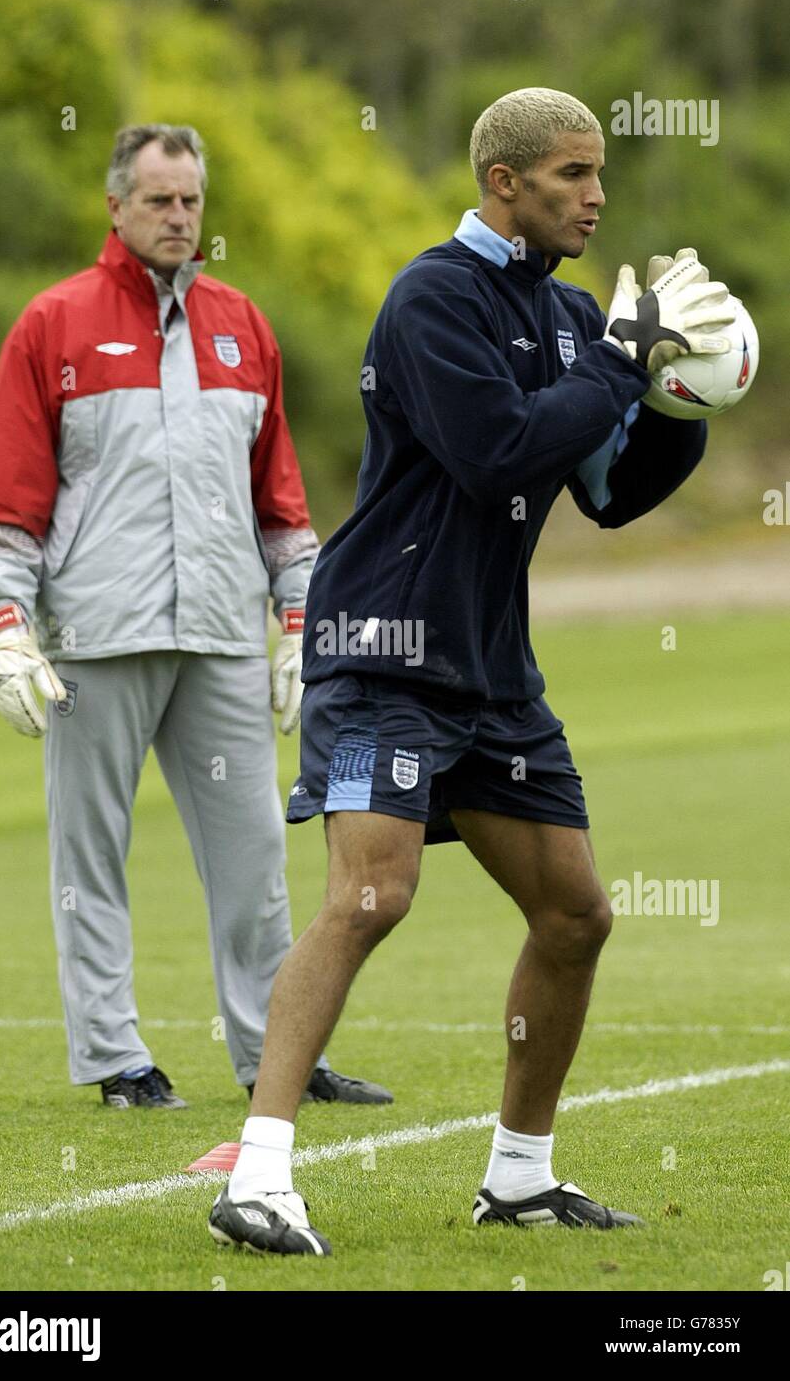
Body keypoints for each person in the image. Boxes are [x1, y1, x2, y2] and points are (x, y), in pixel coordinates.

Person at [207, 88, 735, 1253]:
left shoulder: (570, 313)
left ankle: (519, 1177)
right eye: (569, 175)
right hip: (384, 644)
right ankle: (258, 1173)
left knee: (575, 913)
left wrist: (683, 393)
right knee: (370, 894)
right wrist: (614, 361)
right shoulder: (429, 297)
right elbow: (495, 444)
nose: (594, 197)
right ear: (504, 182)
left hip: (490, 666)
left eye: (598, 175)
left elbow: (603, 490)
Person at [0, 123, 392, 1111]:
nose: (178, 217)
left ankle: (276, 1054)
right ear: (115, 206)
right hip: (95, 641)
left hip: (221, 638)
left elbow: (279, 503)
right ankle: (117, 1059)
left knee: (255, 859)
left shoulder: (243, 323)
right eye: (158, 200)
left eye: (191, 200)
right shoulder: (53, 324)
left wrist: (299, 626)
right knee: (90, 857)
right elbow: (13, 499)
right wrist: (4, 626)